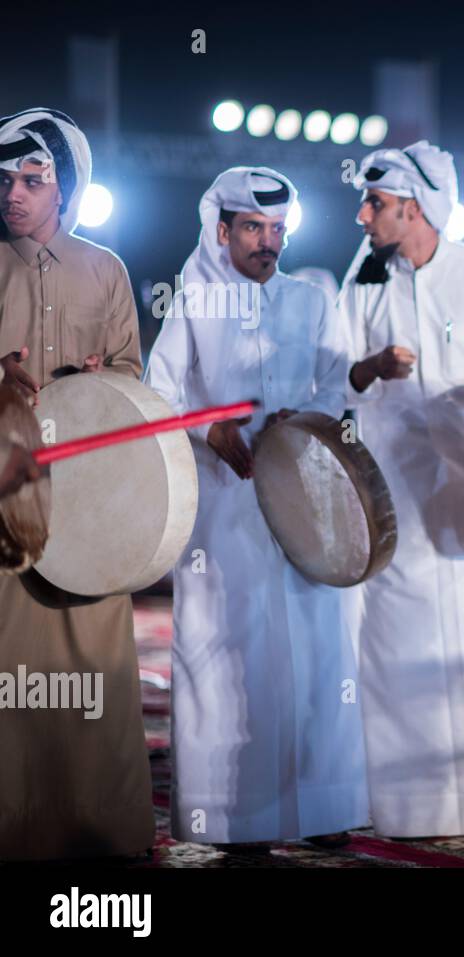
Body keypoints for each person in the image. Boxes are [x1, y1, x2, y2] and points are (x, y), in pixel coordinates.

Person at [144, 167, 367, 850]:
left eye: (276, 230)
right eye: (253, 229)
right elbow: (159, 392)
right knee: (228, 654)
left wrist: (307, 422)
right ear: (222, 229)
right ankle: (235, 816)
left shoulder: (310, 299)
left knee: (321, 652)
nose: (268, 242)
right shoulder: (192, 302)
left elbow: (338, 382)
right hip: (225, 508)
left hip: (304, 498)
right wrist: (209, 429)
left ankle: (323, 809)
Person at [339, 142, 464, 836]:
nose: (363, 215)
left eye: (377, 204)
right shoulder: (362, 283)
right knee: (400, 643)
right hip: (394, 494)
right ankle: (409, 809)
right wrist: (370, 366)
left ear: (414, 209)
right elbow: (333, 380)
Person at [0, 108, 154, 860]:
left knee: (93, 665)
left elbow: (133, 377)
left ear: (67, 187)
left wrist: (104, 381)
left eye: (33, 178)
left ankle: (100, 832)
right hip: (9, 504)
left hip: (91, 501)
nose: (14, 194)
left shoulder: (107, 270)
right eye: (5, 179)